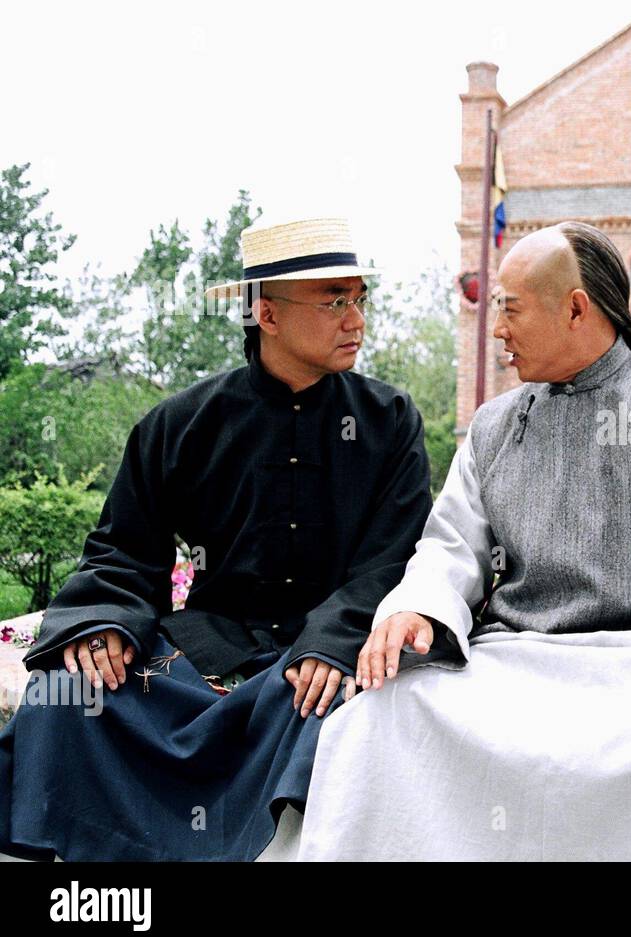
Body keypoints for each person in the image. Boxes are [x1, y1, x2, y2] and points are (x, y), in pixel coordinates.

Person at [298, 221, 631, 861]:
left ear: (574, 308)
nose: (498, 331)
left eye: (510, 310)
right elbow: (449, 548)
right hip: (515, 666)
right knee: (374, 717)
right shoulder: (493, 426)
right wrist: (417, 607)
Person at [0, 218, 432, 861]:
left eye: (359, 298)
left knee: (325, 709)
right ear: (267, 313)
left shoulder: (387, 422)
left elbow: (394, 559)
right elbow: (122, 550)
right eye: (334, 300)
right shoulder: (182, 424)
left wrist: (336, 639)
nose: (355, 319)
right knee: (69, 691)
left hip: (322, 649)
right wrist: (104, 618)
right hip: (210, 641)